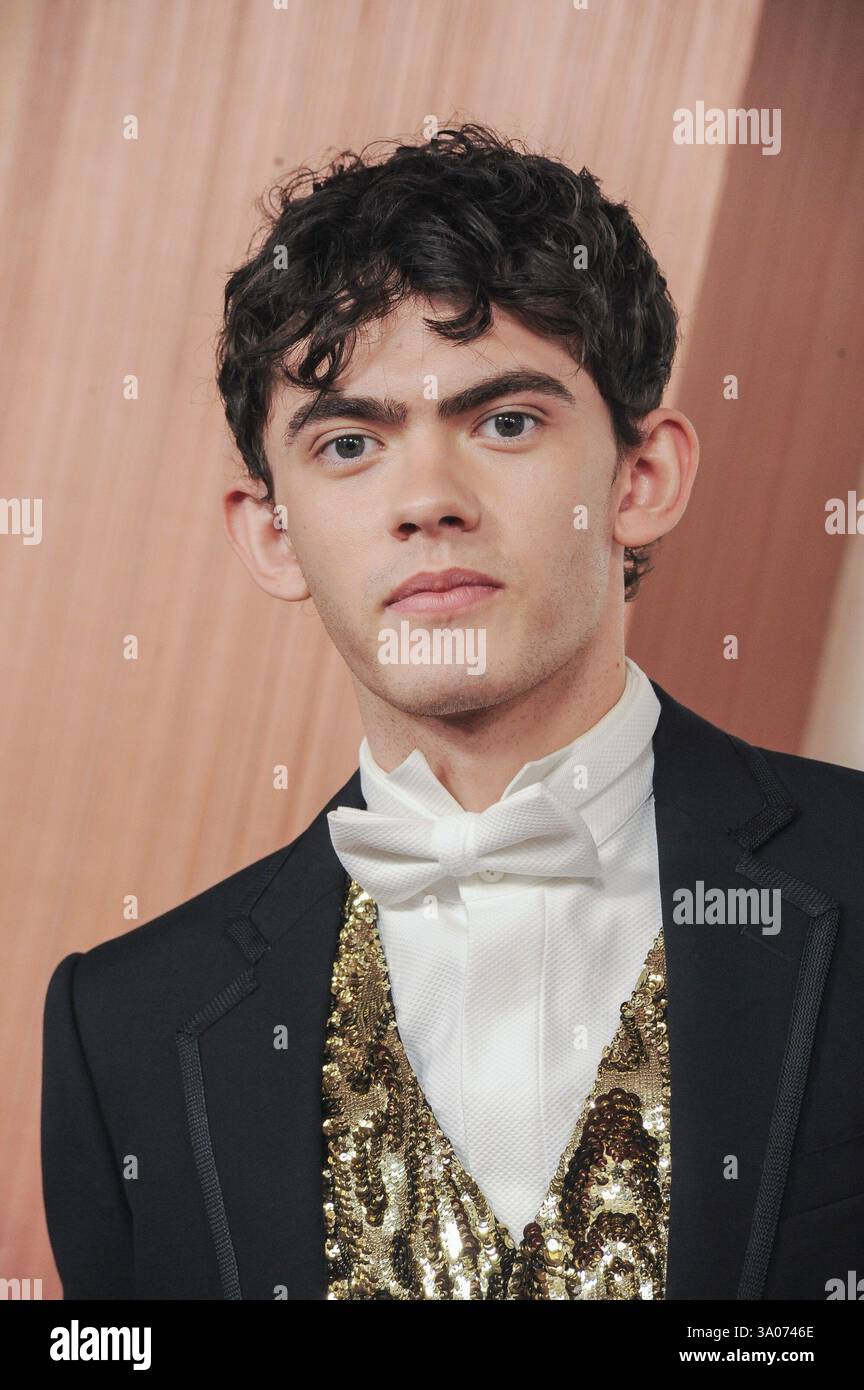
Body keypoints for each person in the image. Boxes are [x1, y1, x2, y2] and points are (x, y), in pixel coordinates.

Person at [41, 123, 864, 1301]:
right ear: (272, 533)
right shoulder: (119, 1026)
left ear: (643, 478)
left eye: (506, 422)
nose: (428, 499)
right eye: (348, 443)